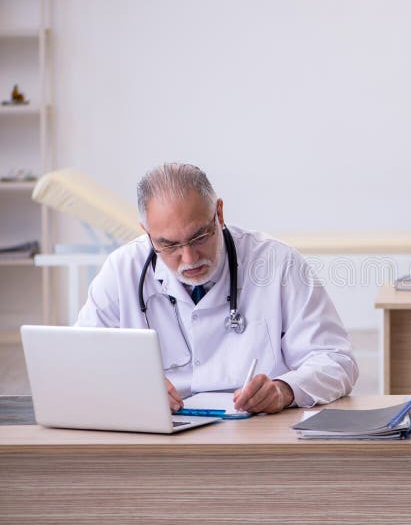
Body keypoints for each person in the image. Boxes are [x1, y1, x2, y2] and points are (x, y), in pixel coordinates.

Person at [76, 163, 358, 414]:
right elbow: (79, 360)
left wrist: (285, 389)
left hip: (256, 433)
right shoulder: (122, 269)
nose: (189, 258)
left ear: (219, 214)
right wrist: (130, 386)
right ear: (147, 233)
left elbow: (336, 360)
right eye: (169, 245)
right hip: (161, 434)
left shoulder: (277, 262)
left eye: (199, 236)